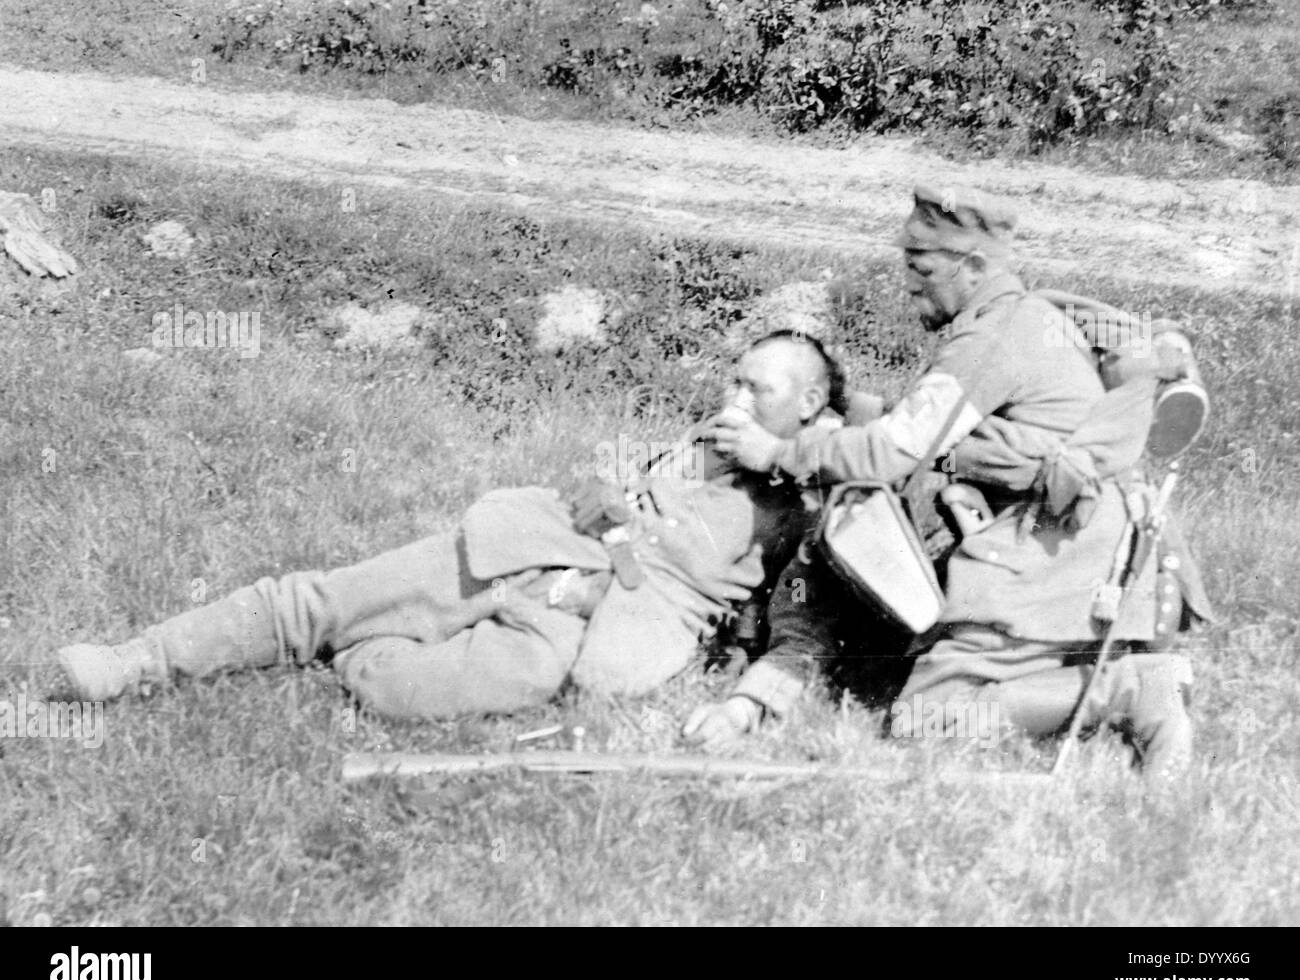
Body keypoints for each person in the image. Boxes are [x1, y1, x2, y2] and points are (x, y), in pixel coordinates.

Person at [685, 184, 1211, 775]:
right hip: (1072, 541)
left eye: (923, 267)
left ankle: (1133, 689)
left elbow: (897, 450)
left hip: (1058, 550)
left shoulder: (991, 337)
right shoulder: (1015, 320)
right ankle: (1077, 672)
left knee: (924, 720)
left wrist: (780, 451)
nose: (909, 282)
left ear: (975, 266)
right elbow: (941, 433)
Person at [57, 332, 844, 719]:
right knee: (321, 598)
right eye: (734, 382)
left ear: (810, 404)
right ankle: (137, 661)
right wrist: (609, 500)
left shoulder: (818, 502)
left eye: (759, 391)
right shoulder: (709, 441)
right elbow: (614, 491)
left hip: (585, 627)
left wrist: (747, 703)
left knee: (399, 689)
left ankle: (361, 651)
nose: (734, 402)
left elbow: (802, 626)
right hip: (533, 551)